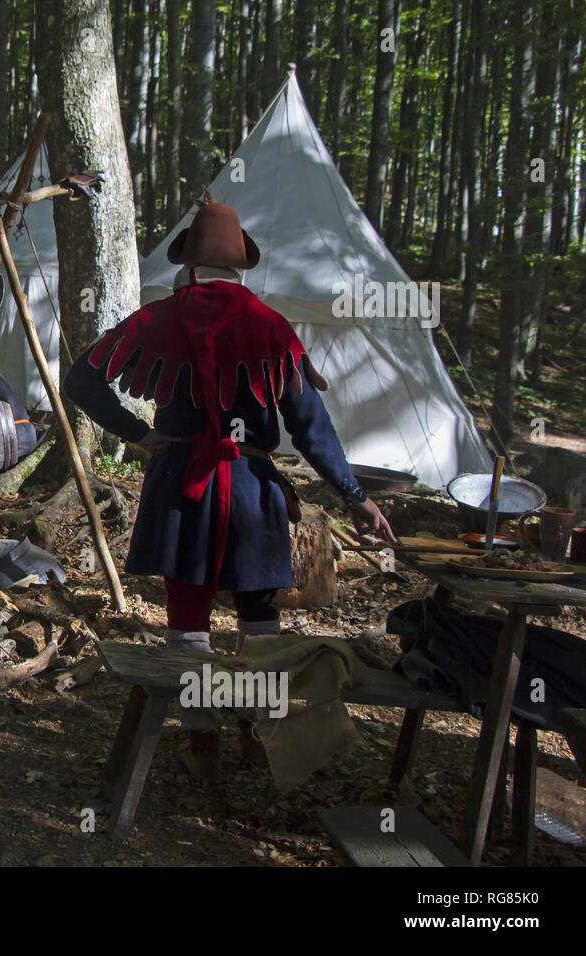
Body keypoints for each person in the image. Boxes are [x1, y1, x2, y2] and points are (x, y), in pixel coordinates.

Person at [63, 195, 396, 783]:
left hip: (181, 488)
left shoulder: (154, 318)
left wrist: (138, 434)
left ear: (187, 261)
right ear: (241, 264)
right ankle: (256, 740)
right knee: (259, 624)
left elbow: (80, 379)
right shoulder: (270, 326)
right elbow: (310, 426)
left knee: (187, 617)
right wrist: (354, 494)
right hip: (251, 491)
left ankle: (203, 747)